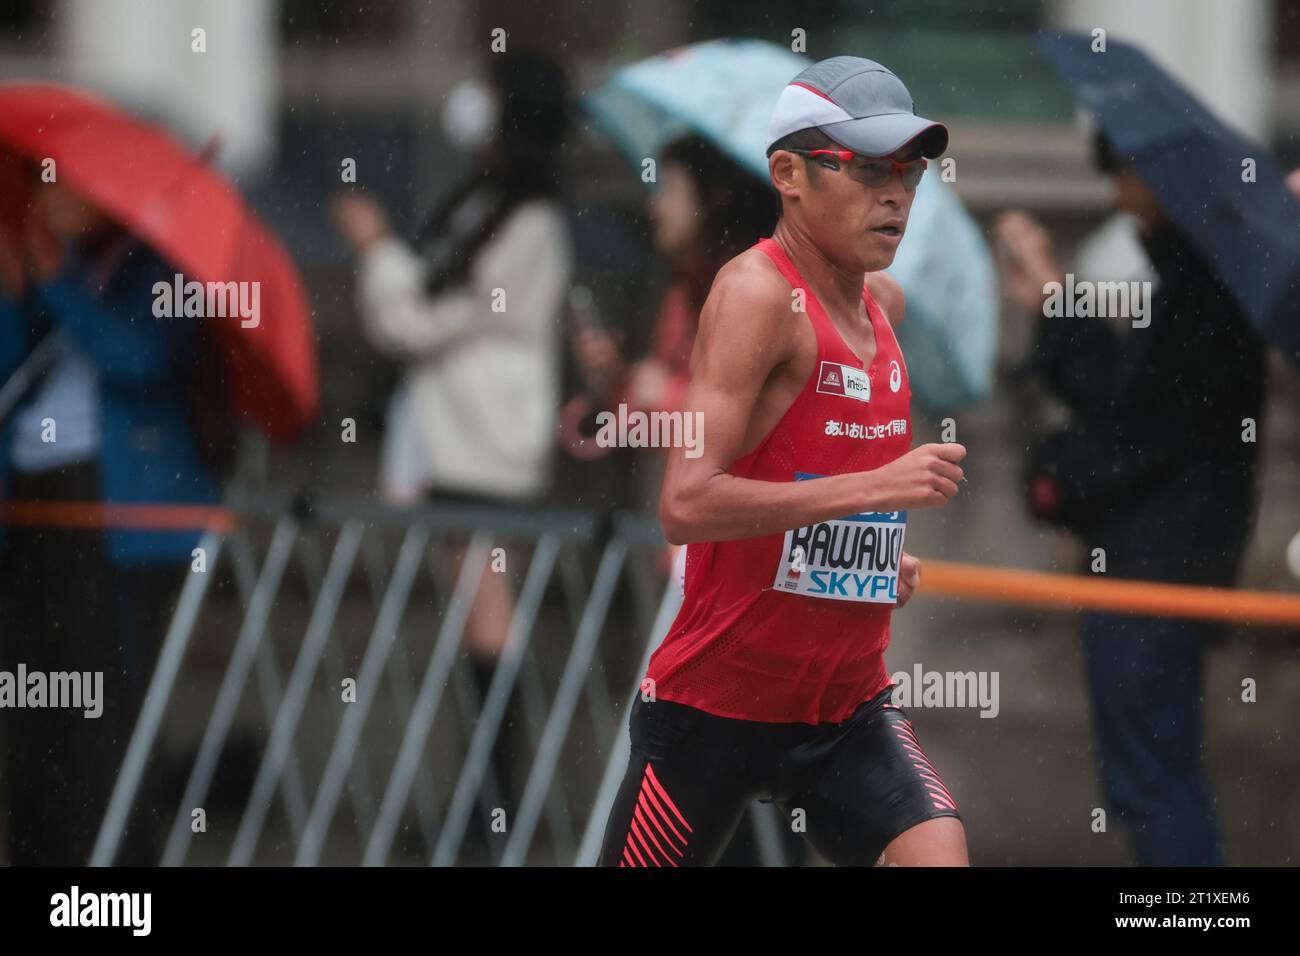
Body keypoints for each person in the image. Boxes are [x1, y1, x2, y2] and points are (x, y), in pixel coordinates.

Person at [598, 56, 968, 867]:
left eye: (909, 171)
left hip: (844, 706)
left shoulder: (885, 307)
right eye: (869, 168)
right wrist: (875, 487)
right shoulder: (756, 295)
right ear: (788, 174)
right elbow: (686, 503)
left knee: (940, 854)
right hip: (715, 707)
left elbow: (809, 486)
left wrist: (872, 552)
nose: (897, 193)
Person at [993, 131, 1270, 866]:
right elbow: (1129, 398)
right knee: (1151, 776)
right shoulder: (1196, 280)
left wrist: (1054, 479)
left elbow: (1137, 425)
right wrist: (1054, 298)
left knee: (1152, 781)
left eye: (1126, 174)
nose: (1115, 192)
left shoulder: (1207, 287)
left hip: (1157, 572)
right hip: (1160, 566)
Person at [332, 48, 573, 857]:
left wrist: (375, 252)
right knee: (477, 616)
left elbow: (428, 317)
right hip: (457, 438)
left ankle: (493, 809)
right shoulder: (490, 203)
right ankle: (482, 805)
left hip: (485, 448)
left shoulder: (528, 220)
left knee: (486, 618)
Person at [0, 172, 222, 865]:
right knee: (31, 701)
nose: (53, 205)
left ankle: (114, 877)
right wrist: (17, 291)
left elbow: (137, 355)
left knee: (105, 708)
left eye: (67, 191)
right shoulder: (49, 266)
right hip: (33, 501)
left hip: (117, 514)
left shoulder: (156, 270)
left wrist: (59, 279)